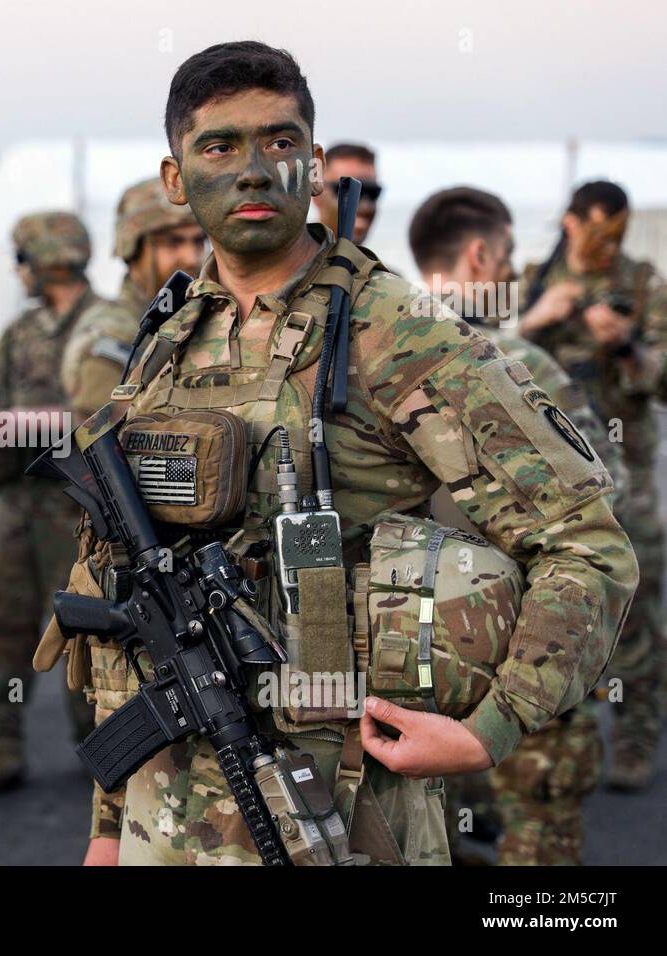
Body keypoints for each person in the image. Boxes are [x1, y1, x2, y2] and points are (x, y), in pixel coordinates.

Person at [45, 41, 633, 867]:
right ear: (176, 181)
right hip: (164, 825)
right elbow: (137, 597)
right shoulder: (167, 340)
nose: (254, 171)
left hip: (341, 819)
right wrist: (108, 829)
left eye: (279, 144)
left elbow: (585, 542)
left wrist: (490, 729)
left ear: (314, 166)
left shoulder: (395, 331)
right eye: (220, 147)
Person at [409, 185, 625, 864]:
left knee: (422, 834)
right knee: (537, 838)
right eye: (506, 257)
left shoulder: (373, 361)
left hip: (411, 650)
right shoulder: (522, 364)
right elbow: (595, 503)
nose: (512, 273)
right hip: (521, 647)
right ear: (480, 256)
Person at [520, 180, 667, 793]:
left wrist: (628, 346)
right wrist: (534, 320)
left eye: (620, 232)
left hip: (624, 476)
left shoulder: (641, 284)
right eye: (601, 231)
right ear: (573, 223)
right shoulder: (535, 277)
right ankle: (551, 738)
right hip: (550, 482)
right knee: (553, 611)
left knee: (634, 613)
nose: (611, 245)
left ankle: (636, 734)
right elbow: (488, 360)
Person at [0, 211, 100, 792]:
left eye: (22, 259)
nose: (17, 271)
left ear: (44, 260)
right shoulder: (22, 331)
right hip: (22, 502)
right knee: (5, 624)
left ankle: (99, 748)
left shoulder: (100, 324)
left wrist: (13, 426)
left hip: (78, 509)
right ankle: (2, 741)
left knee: (85, 628)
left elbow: (99, 417)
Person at [61, 177, 205, 423]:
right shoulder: (112, 333)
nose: (191, 257)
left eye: (198, 241)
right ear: (133, 248)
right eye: (173, 242)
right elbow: (100, 439)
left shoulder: (198, 318)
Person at [312, 143, 382, 246]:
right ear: (317, 192)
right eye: (349, 191)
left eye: (372, 193)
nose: (365, 206)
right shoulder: (289, 260)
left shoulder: (375, 262)